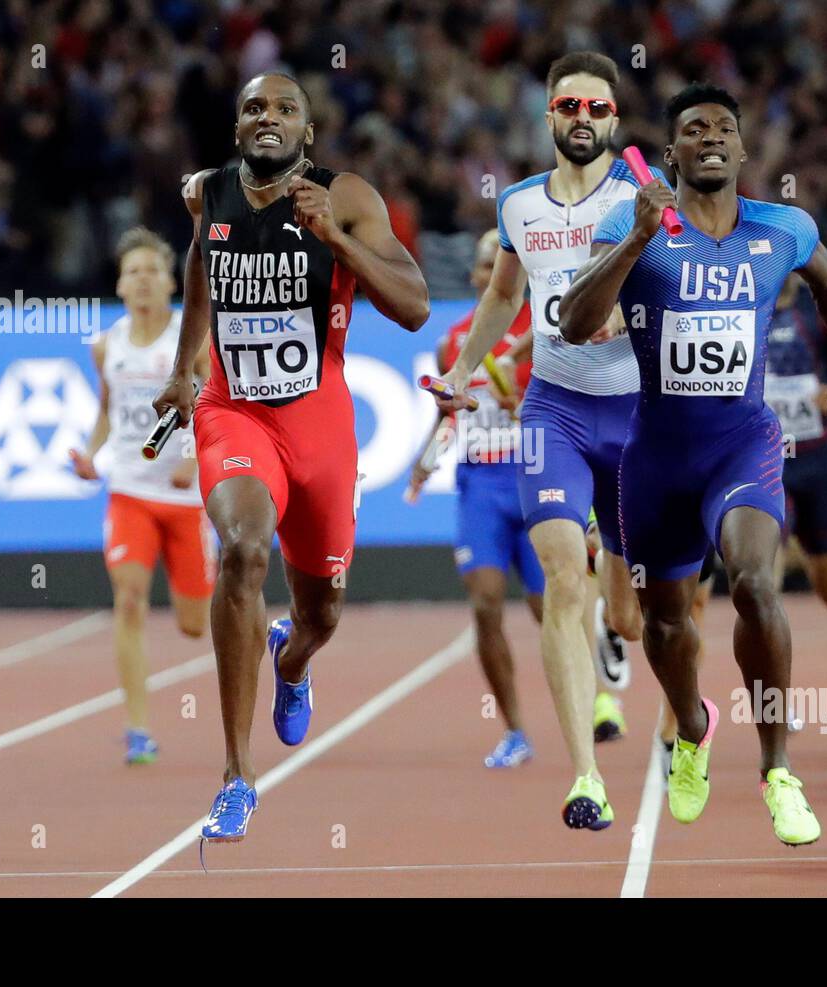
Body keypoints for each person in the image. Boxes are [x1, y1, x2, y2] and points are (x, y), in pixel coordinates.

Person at [560, 82, 827, 846]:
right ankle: (694, 728)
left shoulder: (783, 230)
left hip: (743, 443)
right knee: (662, 624)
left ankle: (778, 770)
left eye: (724, 128)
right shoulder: (630, 220)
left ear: (741, 151)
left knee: (753, 582)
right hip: (656, 458)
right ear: (670, 155)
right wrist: (634, 241)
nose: (710, 137)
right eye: (693, 129)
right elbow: (574, 323)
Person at [152, 73, 429, 843]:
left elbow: (413, 307)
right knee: (240, 550)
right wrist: (186, 367)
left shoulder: (346, 197)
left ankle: (294, 660)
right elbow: (202, 266)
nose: (266, 118)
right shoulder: (209, 195)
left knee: (322, 613)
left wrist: (336, 239)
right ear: (236, 127)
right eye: (252, 108)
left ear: (308, 134)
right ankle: (238, 775)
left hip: (320, 428)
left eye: (284, 110)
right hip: (235, 415)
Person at [431, 52, 650, 831]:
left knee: (627, 614)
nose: (582, 119)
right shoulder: (519, 205)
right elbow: (503, 295)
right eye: (568, 107)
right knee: (563, 579)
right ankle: (585, 777)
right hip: (552, 410)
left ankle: (622, 645)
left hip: (637, 415)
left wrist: (639, 308)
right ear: (549, 116)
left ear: (614, 120)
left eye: (596, 108)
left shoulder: (644, 197)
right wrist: (459, 371)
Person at [70, 227, 214, 765]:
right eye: (133, 272)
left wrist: (195, 459)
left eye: (152, 271)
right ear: (120, 285)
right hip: (129, 490)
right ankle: (137, 727)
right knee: (128, 600)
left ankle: (241, 608)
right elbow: (108, 410)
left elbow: (216, 402)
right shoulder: (106, 346)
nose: (143, 281)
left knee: (194, 626)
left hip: (186, 500)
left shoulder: (192, 338)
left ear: (171, 282)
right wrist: (91, 454)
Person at [409, 230, 544, 768]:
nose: (494, 274)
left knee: (550, 610)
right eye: (486, 267)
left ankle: (592, 696)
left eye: (503, 266)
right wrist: (425, 456)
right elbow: (447, 412)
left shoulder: (544, 330)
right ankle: (515, 730)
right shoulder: (455, 340)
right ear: (475, 277)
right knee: (486, 603)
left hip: (535, 479)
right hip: (480, 486)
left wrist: (524, 410)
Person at [765, 274, 827, 608]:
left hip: (818, 460)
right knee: (762, 586)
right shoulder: (743, 302)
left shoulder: (821, 306)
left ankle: (801, 538)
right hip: (764, 460)